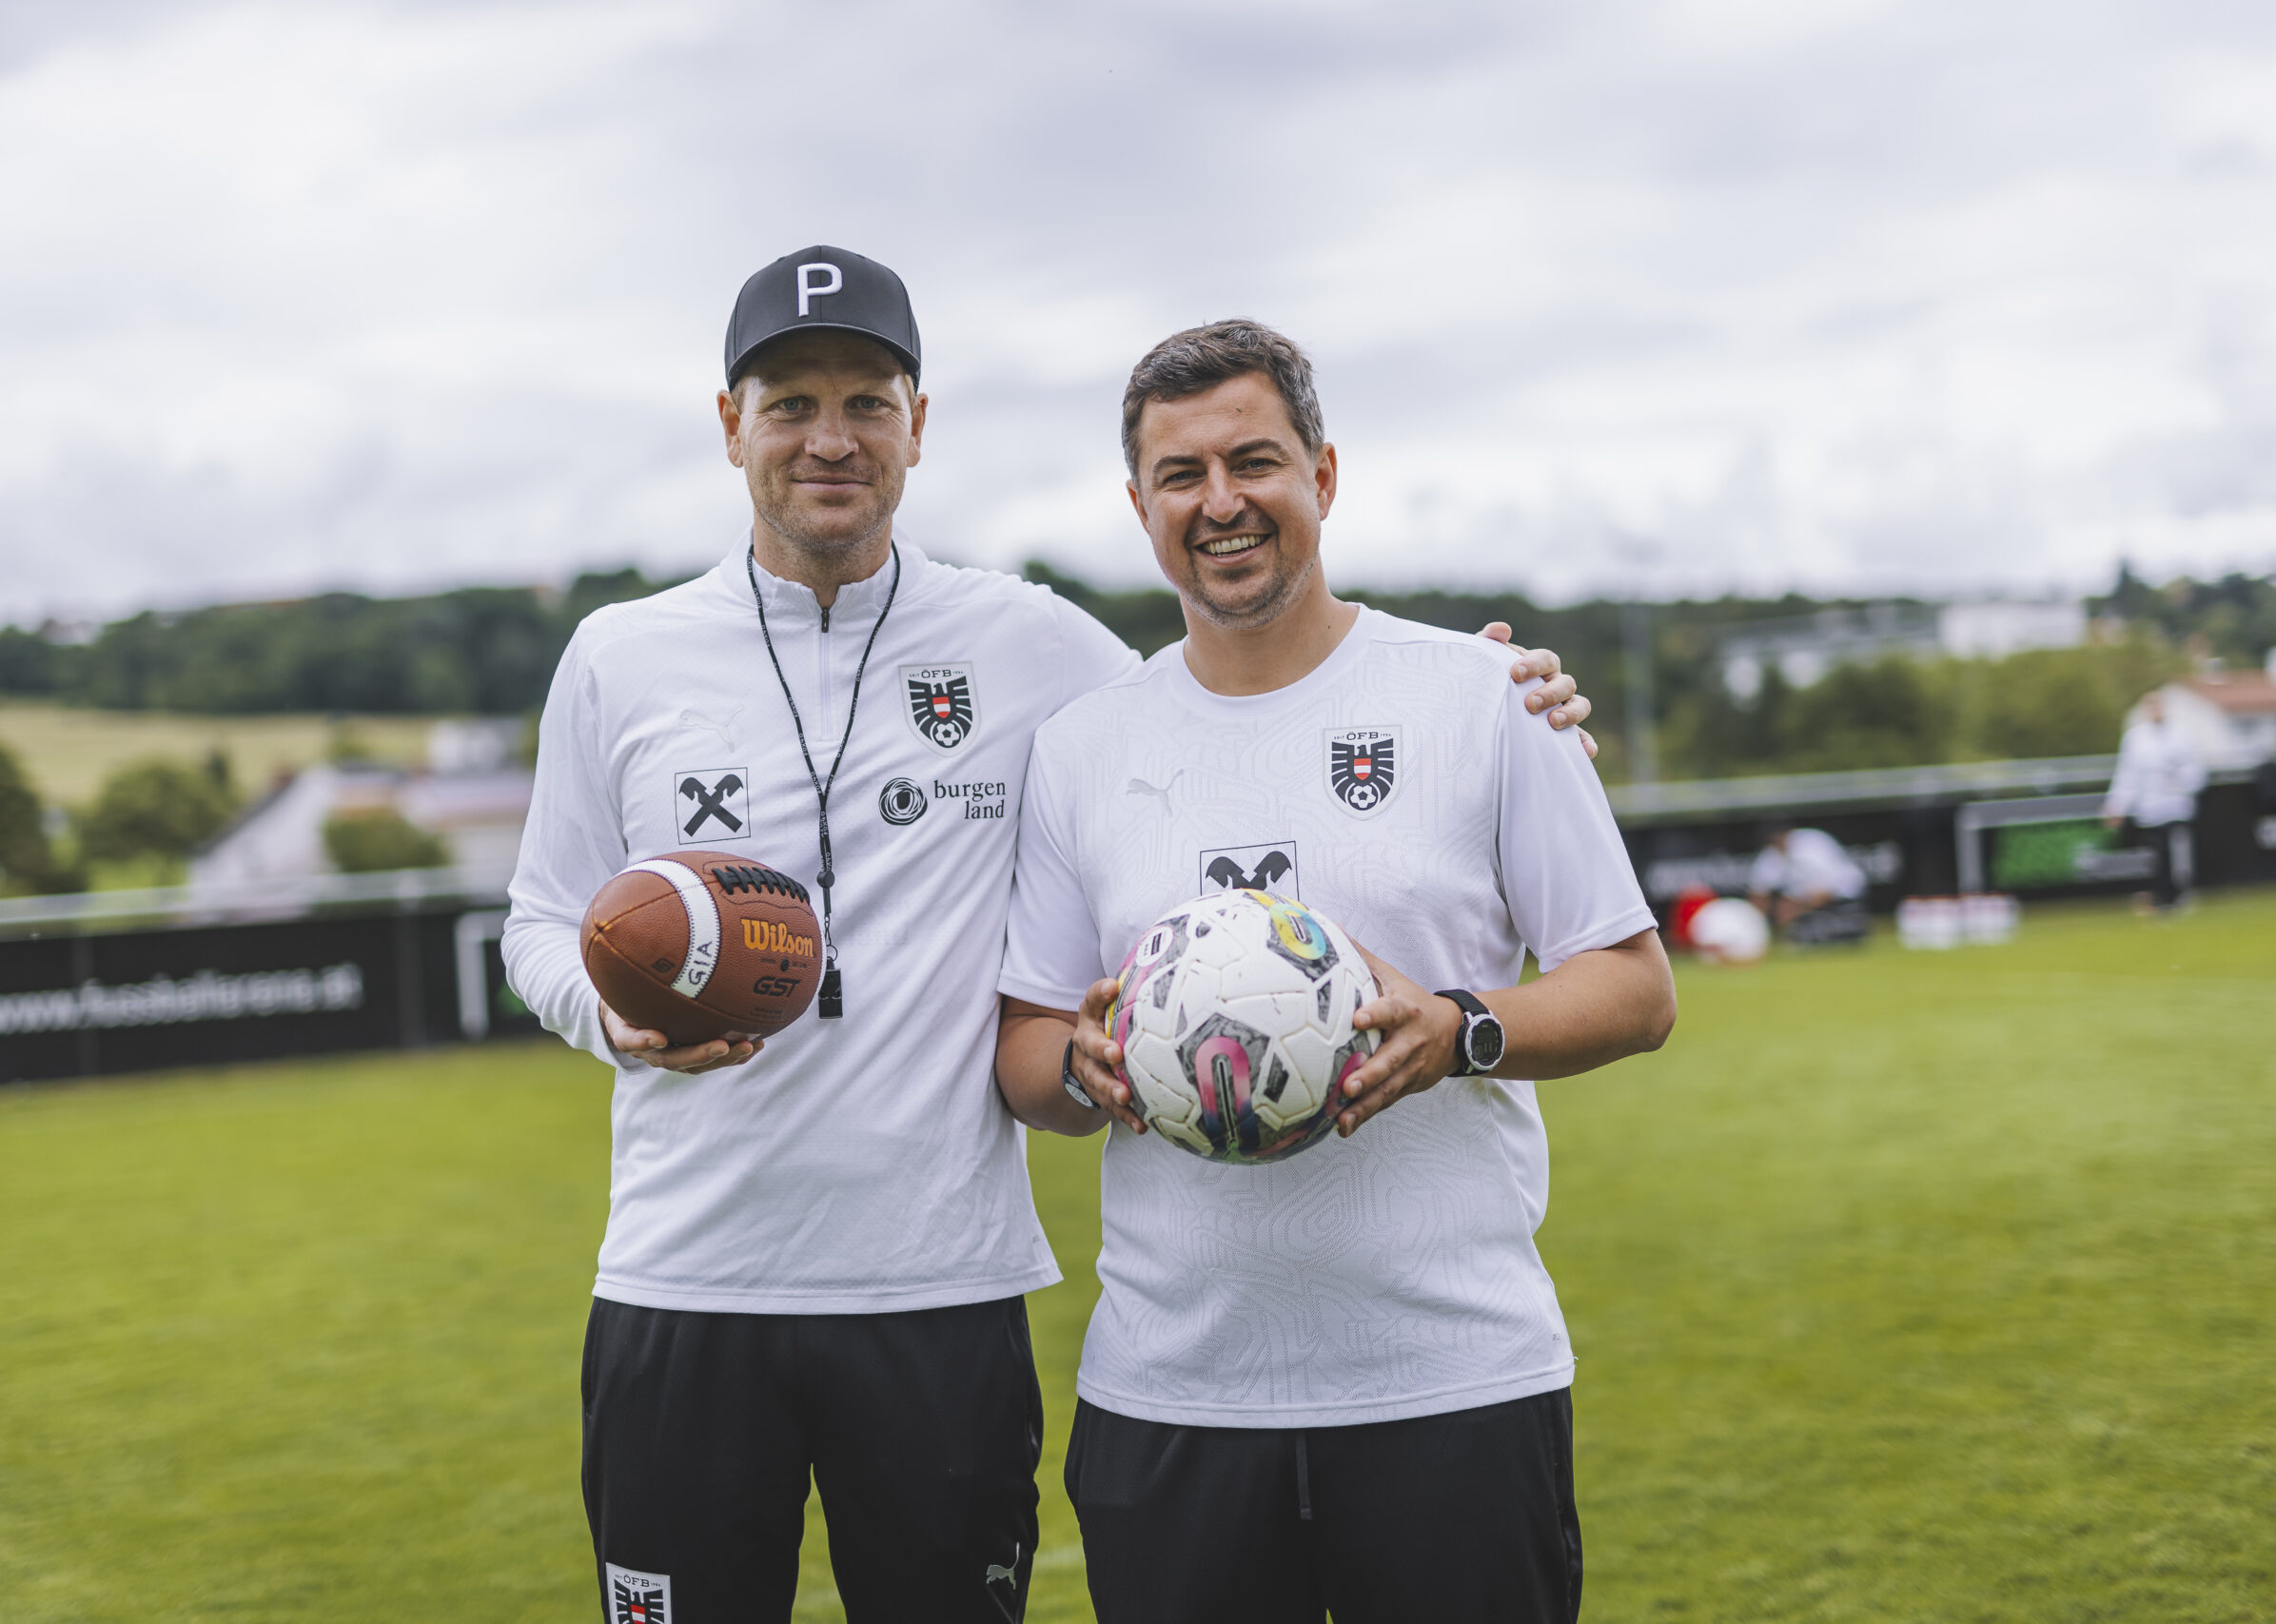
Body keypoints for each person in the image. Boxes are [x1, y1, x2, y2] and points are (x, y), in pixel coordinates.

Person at [501, 250, 1597, 1624]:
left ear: (918, 423)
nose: (829, 437)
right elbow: (541, 916)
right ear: (732, 424)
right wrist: (604, 1013)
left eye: (867, 400)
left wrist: (1485, 684)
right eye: (790, 403)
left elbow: (1233, 683)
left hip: (944, 1289)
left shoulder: (1033, 644)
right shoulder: (618, 652)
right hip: (681, 1280)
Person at [993, 320, 1678, 1624]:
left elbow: (1636, 985)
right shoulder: (1084, 746)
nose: (1222, 502)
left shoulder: (1485, 696)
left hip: (1451, 1379)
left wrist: (1458, 1028)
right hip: (1173, 1394)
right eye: (1181, 475)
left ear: (1324, 472)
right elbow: (1026, 1044)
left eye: (1255, 460)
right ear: (1138, 503)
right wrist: (1080, 1066)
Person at [2102, 689, 2206, 911]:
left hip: (2177, 807)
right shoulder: (2136, 739)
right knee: (2158, 857)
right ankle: (2163, 898)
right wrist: (2116, 805)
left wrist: (2181, 782)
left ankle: (2182, 894)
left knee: (2179, 853)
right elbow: (2126, 775)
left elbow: (2196, 771)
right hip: (2150, 810)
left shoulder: (2181, 735)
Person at [1746, 822, 1868, 945]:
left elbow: (1826, 891)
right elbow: (1759, 895)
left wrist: (1795, 907)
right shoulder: (1769, 855)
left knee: (1836, 935)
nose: (1777, 844)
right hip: (1806, 902)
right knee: (1800, 937)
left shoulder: (1812, 843)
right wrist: (1754, 925)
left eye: (1779, 838)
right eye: (1772, 841)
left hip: (1843, 896)